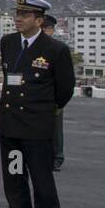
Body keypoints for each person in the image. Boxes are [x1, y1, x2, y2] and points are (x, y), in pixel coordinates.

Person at [0, 0, 75, 208]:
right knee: (14, 177)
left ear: (39, 20)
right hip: (11, 125)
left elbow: (64, 90)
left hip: (37, 128)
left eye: (25, 15)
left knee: (42, 180)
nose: (18, 19)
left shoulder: (55, 49)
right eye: (17, 14)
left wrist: (44, 112)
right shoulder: (8, 42)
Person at [41, 14, 66, 170]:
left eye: (46, 29)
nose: (44, 31)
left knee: (55, 129)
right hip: (37, 96)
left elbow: (64, 78)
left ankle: (57, 157)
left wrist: (59, 100)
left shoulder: (57, 49)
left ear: (51, 30)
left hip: (53, 96)